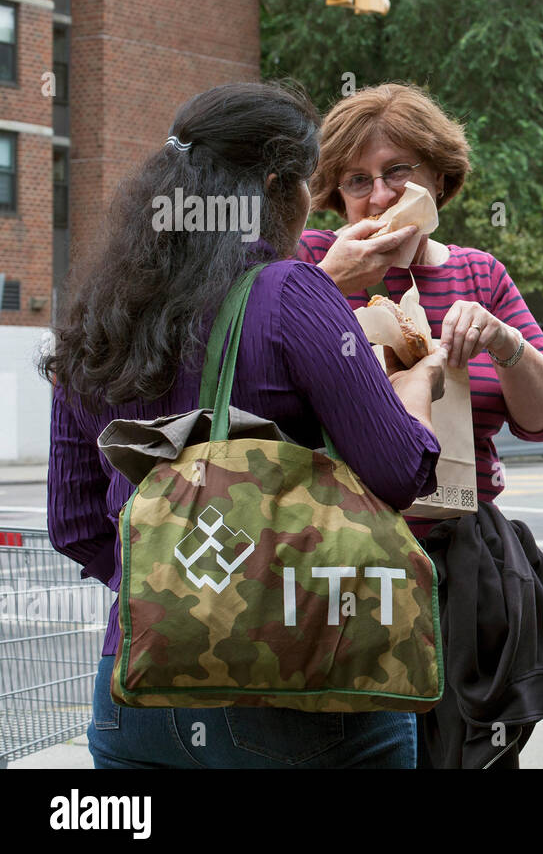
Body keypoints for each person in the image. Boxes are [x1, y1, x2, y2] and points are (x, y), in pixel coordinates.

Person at [43, 82, 445, 769]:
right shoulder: (290, 292)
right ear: (273, 185)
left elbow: (74, 524)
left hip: (137, 688)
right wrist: (415, 388)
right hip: (293, 683)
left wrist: (184, 597)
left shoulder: (98, 314)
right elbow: (402, 470)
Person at [296, 83, 543, 768]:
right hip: (335, 566)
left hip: (458, 571)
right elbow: (252, 376)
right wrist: (330, 284)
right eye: (357, 180)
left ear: (438, 179)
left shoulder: (479, 275)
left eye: (398, 171)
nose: (379, 196)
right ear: (336, 194)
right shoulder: (304, 263)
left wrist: (506, 344)